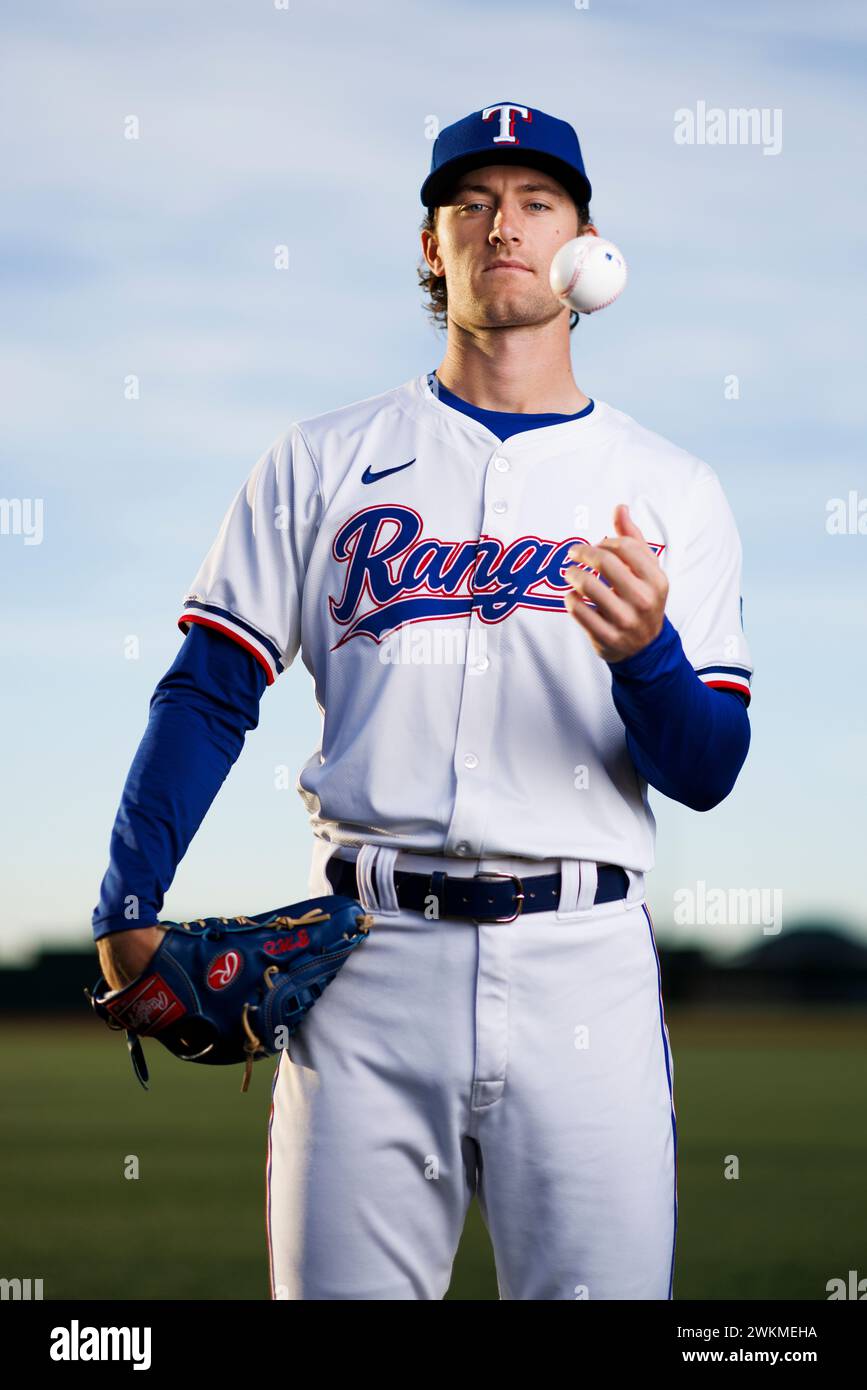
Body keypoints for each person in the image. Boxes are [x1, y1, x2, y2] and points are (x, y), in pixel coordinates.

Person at [93, 100, 753, 1300]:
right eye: (471, 202)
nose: (503, 222)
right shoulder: (321, 459)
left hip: (583, 968)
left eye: (535, 200)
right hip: (366, 962)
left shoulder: (671, 488)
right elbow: (209, 687)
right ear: (429, 245)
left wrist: (647, 655)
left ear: (584, 244)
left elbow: (707, 767)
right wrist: (127, 895)